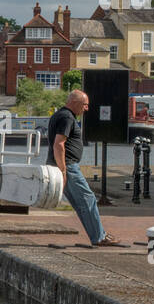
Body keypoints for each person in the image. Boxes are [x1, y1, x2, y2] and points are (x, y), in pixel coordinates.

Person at [47, 90, 121, 247]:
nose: (86, 109)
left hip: (61, 165)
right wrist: (63, 170)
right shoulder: (67, 118)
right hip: (67, 166)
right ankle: (99, 237)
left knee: (81, 204)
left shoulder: (59, 115)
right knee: (88, 199)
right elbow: (59, 144)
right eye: (85, 105)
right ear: (75, 102)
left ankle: (97, 235)